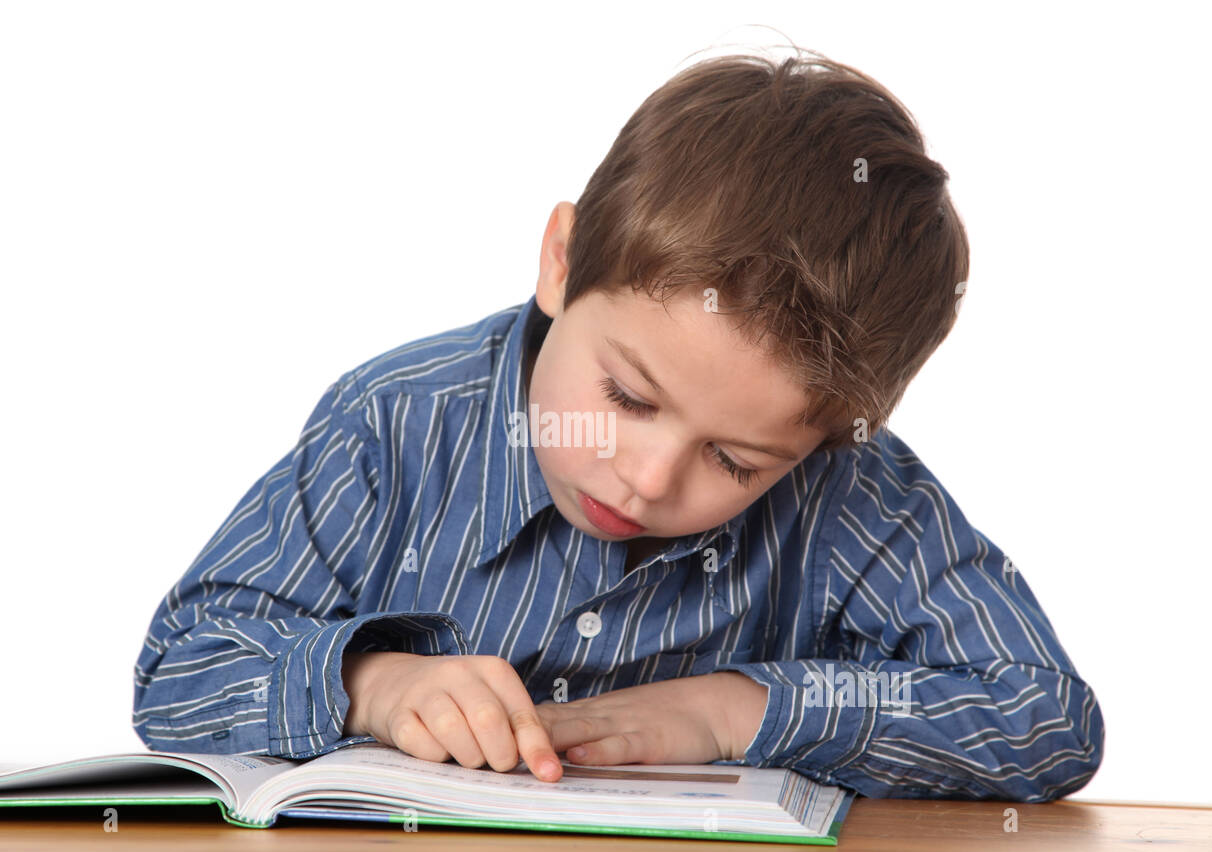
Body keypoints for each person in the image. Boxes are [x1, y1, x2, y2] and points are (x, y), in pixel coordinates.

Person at [131, 50, 1103, 801]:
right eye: (630, 397)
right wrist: (368, 683)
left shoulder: (848, 491)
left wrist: (732, 709)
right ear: (560, 262)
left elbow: (1042, 710)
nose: (644, 475)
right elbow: (181, 666)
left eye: (733, 458)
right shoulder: (397, 425)